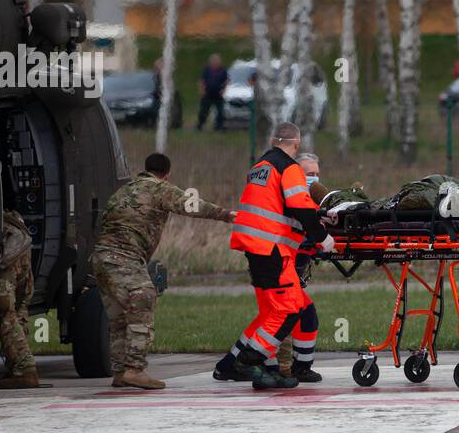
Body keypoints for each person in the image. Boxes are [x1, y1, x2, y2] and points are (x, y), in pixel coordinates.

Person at [91, 153, 234, 389]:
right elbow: (191, 204)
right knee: (143, 298)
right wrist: (225, 215)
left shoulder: (123, 190)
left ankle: (120, 372)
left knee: (118, 317)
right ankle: (135, 369)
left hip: (100, 258)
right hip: (124, 258)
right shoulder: (159, 188)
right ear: (166, 175)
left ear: (145, 169)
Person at [214, 123, 333, 389]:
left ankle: (233, 365)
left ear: (272, 140)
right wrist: (322, 237)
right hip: (272, 249)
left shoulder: (259, 167)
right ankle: (248, 361)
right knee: (290, 309)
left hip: (255, 248)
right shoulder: (289, 169)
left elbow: (276, 207)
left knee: (270, 312)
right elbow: (300, 207)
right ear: (297, 143)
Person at [270, 152, 329, 379]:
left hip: (291, 274)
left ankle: (296, 366)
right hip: (278, 269)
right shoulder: (287, 199)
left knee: (301, 314)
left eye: (316, 174)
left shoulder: (315, 200)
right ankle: (276, 366)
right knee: (296, 314)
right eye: (308, 174)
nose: (313, 179)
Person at [0, 206, 38, 389]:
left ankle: (25, 370)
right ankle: (17, 368)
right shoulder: (15, 222)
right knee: (18, 317)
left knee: (8, 319)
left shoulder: (3, 225)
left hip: (10, 273)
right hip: (23, 274)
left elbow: (5, 262)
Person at [197, 53, 229, 131]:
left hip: (218, 95)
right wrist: (202, 90)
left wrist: (224, 90)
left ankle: (219, 127)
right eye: (213, 61)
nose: (215, 62)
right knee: (203, 111)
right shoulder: (206, 69)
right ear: (210, 62)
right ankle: (200, 125)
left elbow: (227, 81)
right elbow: (201, 80)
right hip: (207, 94)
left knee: (220, 112)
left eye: (216, 61)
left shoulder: (223, 70)